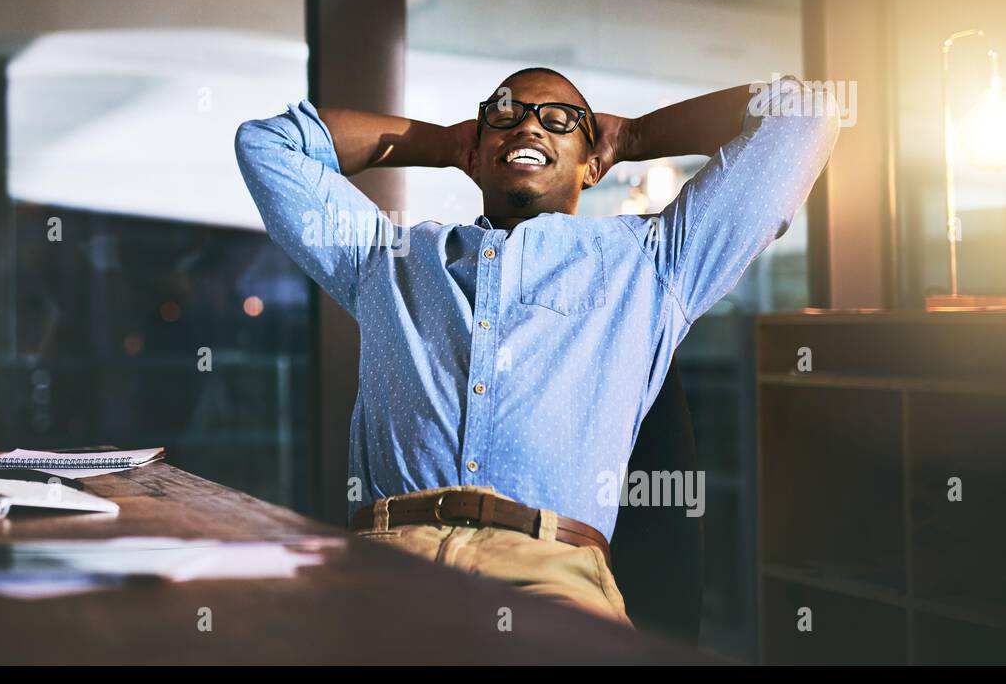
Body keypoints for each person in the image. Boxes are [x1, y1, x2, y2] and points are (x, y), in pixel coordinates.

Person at [235, 68, 838, 625]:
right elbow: (268, 144)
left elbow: (802, 113)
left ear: (591, 162)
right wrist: (448, 145)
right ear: (477, 146)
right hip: (386, 565)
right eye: (505, 113)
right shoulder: (386, 259)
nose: (527, 124)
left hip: (550, 575)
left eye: (559, 120)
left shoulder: (654, 264)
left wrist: (629, 136)